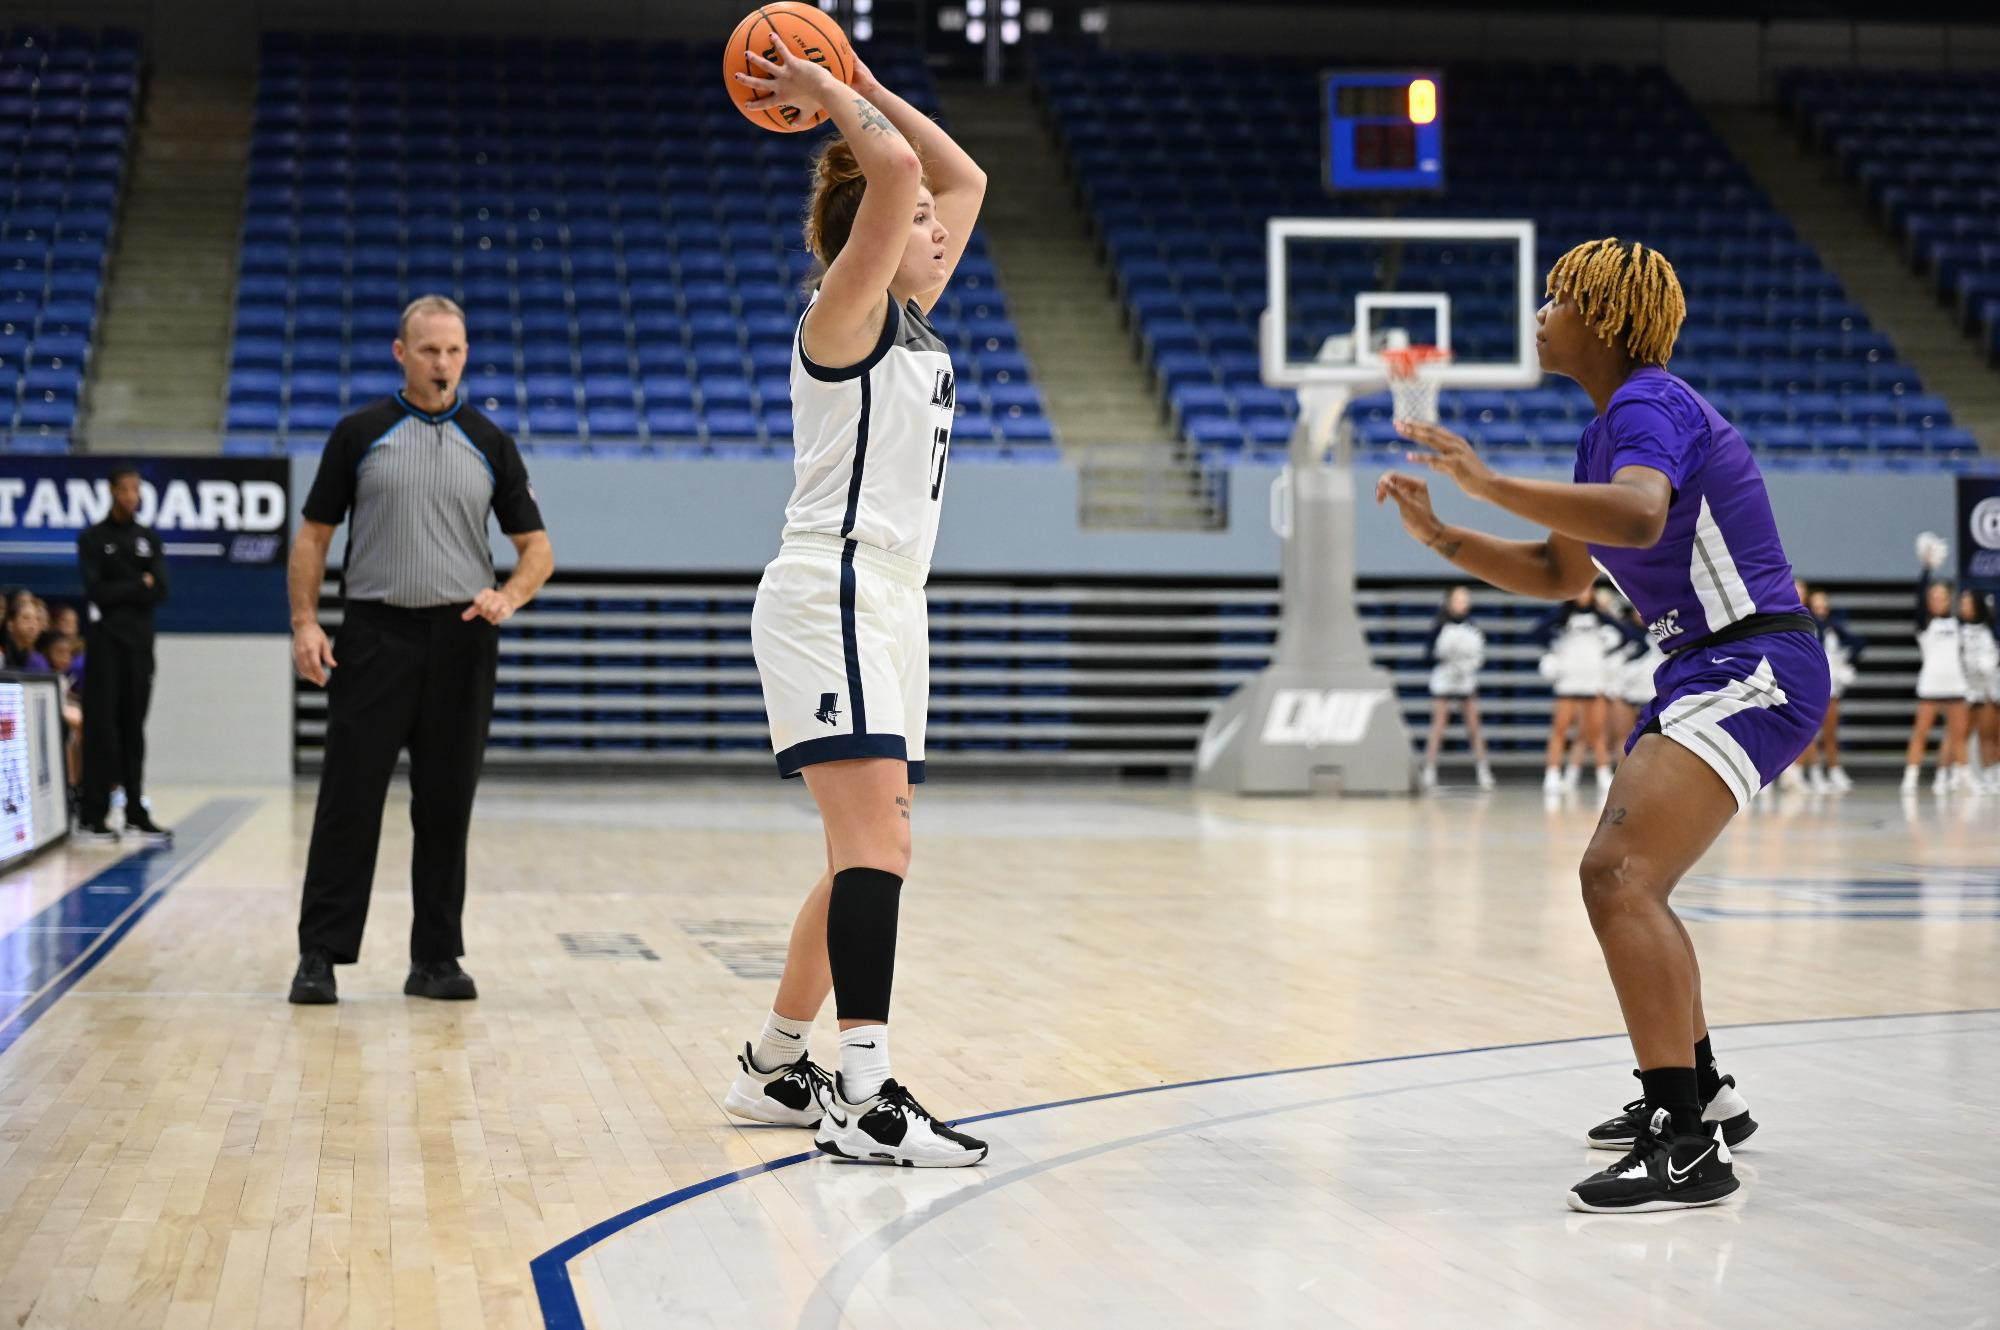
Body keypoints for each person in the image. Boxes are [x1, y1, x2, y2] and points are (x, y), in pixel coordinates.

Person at [1376, 237, 1828, 1212]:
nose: (1539, 311)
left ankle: (1684, 1142)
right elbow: (1560, 574)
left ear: (1604, 317)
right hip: (1702, 666)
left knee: (1616, 875)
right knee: (1634, 880)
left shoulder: (1649, 402)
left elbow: (1633, 520)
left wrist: (1486, 482)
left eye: (1556, 296)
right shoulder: (1604, 432)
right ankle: (1698, 1086)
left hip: (1751, 656)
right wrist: (1445, 535)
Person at [721, 42, 990, 1168]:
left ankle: (779, 1067)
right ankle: (865, 1092)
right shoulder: (844, 310)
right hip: (830, 583)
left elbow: (961, 177)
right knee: (877, 839)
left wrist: (867, 86)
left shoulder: (913, 316)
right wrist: (825, 96)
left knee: (858, 852)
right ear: (872, 237)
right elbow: (892, 182)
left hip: (882, 600)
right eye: (913, 218)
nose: (938, 224)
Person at [287, 296, 554, 1005]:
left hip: (461, 639)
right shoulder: (359, 434)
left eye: (455, 351)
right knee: (349, 799)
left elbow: (537, 548)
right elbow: (313, 536)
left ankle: (435, 957)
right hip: (374, 634)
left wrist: (511, 595)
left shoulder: (490, 441)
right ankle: (320, 954)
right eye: (430, 350)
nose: (444, 363)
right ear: (401, 353)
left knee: (445, 804)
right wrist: (306, 623)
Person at [76, 469, 171, 844]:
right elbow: (96, 591)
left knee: (134, 729)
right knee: (102, 729)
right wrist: (138, 583)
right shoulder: (93, 538)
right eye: (125, 489)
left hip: (140, 646)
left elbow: (161, 588)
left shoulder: (149, 538)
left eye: (137, 489)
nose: (131, 495)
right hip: (105, 645)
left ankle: (135, 811)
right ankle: (94, 815)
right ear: (112, 491)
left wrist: (132, 586)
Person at [1532, 584, 1622, 795]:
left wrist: (1606, 652)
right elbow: (1537, 631)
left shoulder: (1600, 616)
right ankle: (1552, 774)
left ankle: (1603, 775)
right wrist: (1555, 646)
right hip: (1569, 681)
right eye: (1579, 589)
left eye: (1588, 589)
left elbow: (1627, 633)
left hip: (1593, 680)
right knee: (1560, 729)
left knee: (1596, 731)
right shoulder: (1563, 615)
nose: (1584, 593)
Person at [1901, 540, 1968, 796]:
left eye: (1943, 597)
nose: (1938, 600)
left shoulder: (1957, 623)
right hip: (1931, 682)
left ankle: (1961, 776)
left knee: (1958, 734)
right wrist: (1927, 569)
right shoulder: (1924, 624)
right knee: (1921, 731)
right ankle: (1911, 776)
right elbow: (1918, 599)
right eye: (1934, 597)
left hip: (1955, 682)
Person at [1420, 585, 1494, 790]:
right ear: (1450, 601)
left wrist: (1469, 663)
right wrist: (1443, 655)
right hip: (1444, 677)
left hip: (1465, 679)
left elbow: (1481, 654)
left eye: (1466, 599)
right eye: (1459, 599)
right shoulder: (1439, 625)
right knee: (1438, 726)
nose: (1463, 603)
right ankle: (1429, 769)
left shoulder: (1472, 626)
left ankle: (1483, 769)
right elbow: (1426, 654)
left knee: (1474, 726)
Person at [1796, 585, 1863, 792]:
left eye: (1824, 604)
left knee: (1830, 732)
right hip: (1809, 685)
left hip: (1831, 685)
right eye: (1817, 605)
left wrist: (1847, 662)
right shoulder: (1805, 623)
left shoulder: (1833, 626)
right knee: (1810, 733)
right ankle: (1812, 772)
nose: (1821, 608)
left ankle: (1834, 770)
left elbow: (1857, 643)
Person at [1958, 588, 1999, 791]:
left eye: (1968, 602)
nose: (1963, 606)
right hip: (1970, 690)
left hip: (1991, 687)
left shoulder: (1989, 632)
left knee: (1993, 733)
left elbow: (1991, 662)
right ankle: (1958, 774)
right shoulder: (1960, 631)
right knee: (1971, 733)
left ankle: (1993, 773)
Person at [3, 593, 50, 672]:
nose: (32, 626)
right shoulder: (2, 654)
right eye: (26, 618)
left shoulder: (37, 660)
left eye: (37, 619)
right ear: (10, 624)